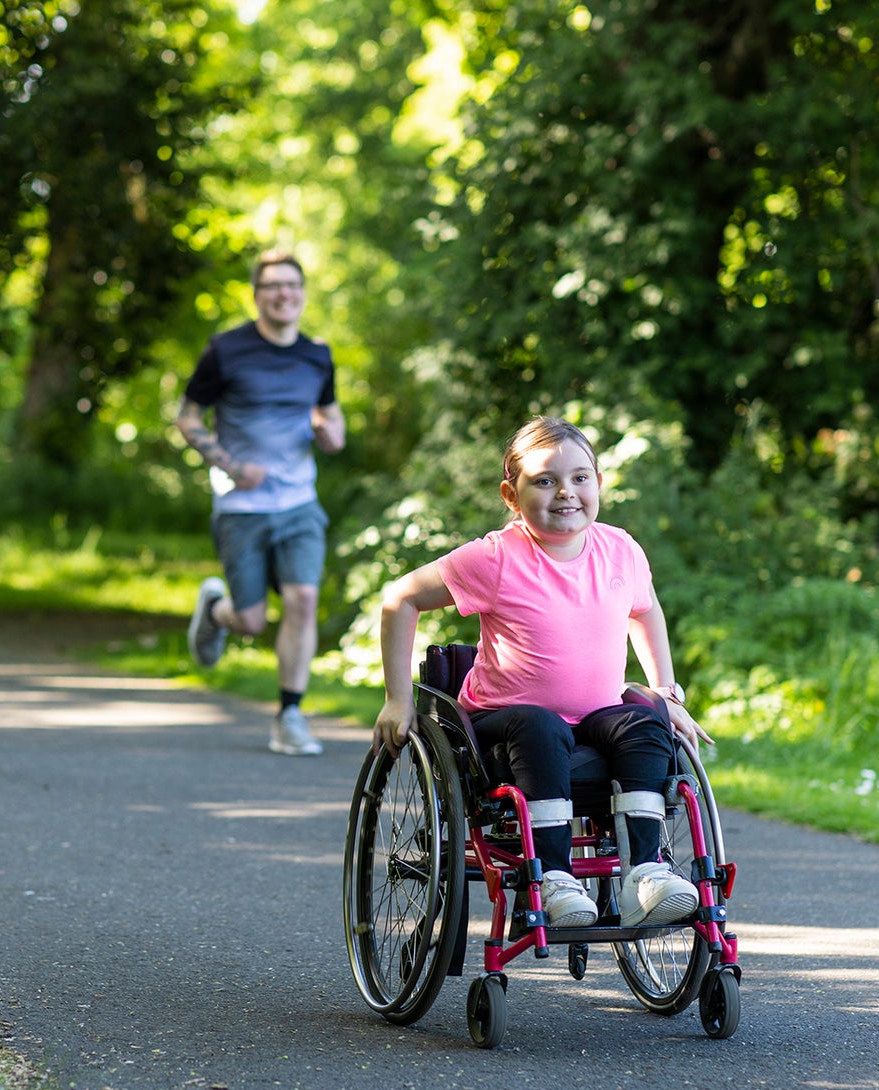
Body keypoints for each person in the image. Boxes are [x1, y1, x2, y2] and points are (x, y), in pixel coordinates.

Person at [371, 416, 712, 927]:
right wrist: (398, 699)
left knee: (644, 722)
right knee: (539, 723)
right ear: (512, 495)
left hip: (596, 716)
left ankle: (647, 872)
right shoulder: (496, 558)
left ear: (599, 483)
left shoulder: (620, 549)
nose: (565, 493)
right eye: (545, 481)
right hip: (503, 723)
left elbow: (645, 610)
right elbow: (400, 598)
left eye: (580, 478)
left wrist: (665, 691)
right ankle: (552, 878)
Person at [176, 248, 346, 756]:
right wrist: (228, 465)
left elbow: (332, 421)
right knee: (251, 621)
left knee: (303, 601)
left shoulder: (317, 354)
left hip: (299, 503)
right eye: (272, 286)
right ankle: (216, 609)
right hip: (241, 506)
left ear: (303, 294)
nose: (283, 294)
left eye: (292, 285)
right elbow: (187, 418)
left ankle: (289, 716)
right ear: (257, 295)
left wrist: (330, 434)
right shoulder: (226, 350)